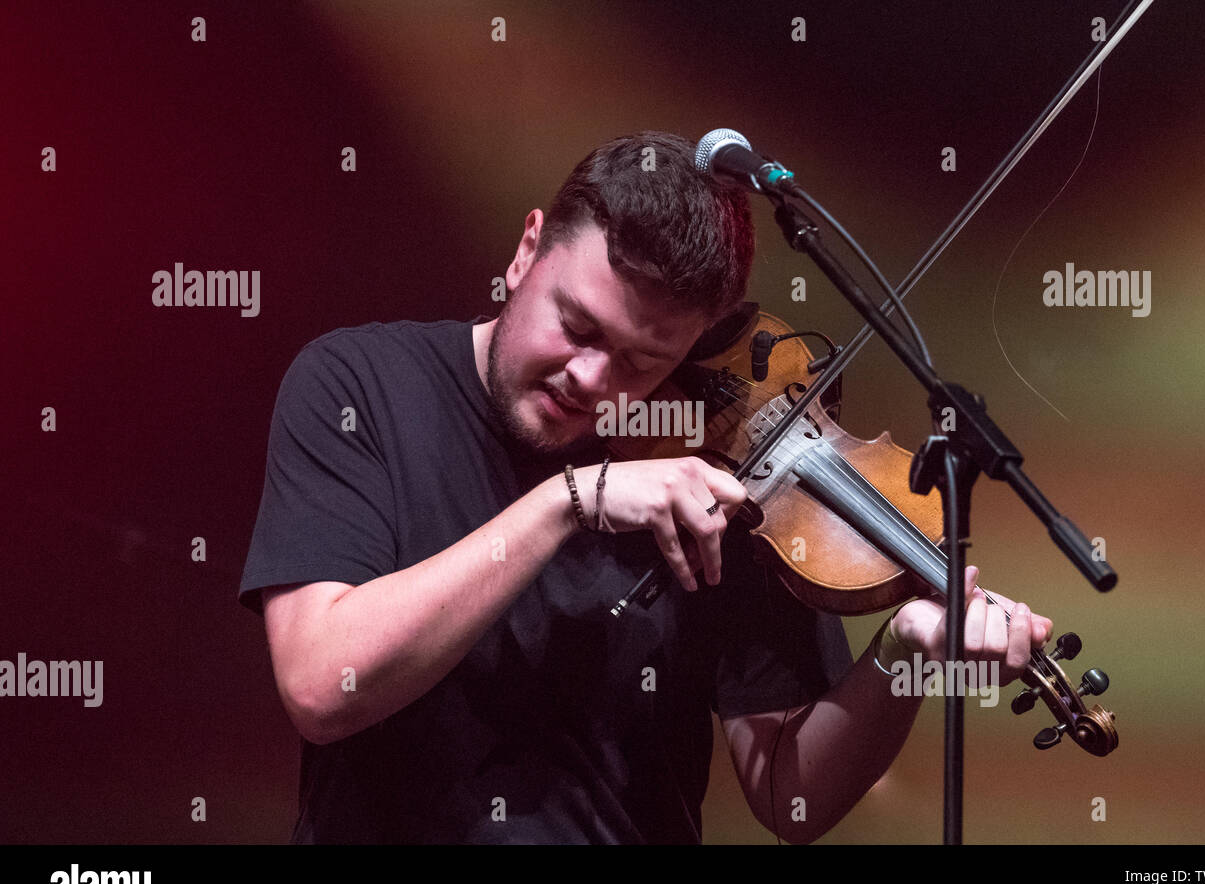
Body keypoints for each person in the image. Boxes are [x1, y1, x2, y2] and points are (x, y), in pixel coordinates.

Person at [238, 130, 1052, 844]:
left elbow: (792, 799)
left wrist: (900, 652)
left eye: (641, 362)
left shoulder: (724, 475)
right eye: (577, 326)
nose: (590, 378)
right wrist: (568, 501)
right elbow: (320, 685)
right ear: (527, 250)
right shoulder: (358, 385)